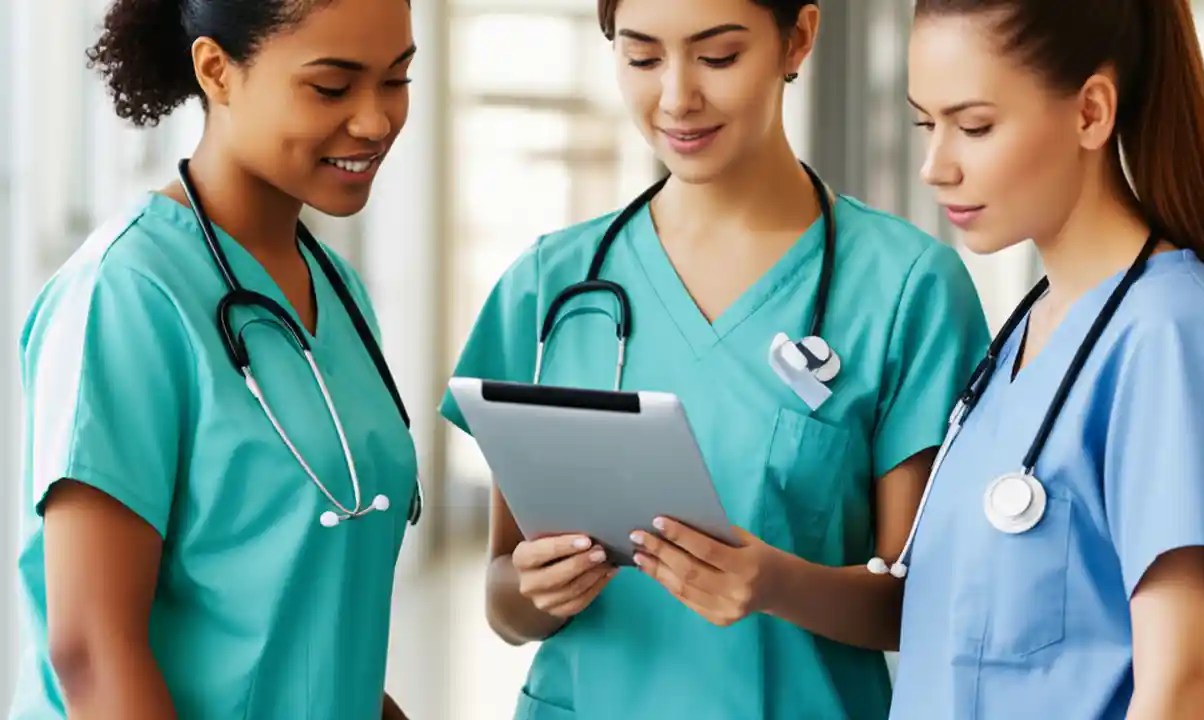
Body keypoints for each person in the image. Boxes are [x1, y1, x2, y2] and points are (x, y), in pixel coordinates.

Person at [438, 0, 989, 717]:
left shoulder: (906, 286)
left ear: (798, 38)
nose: (676, 97)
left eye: (718, 57)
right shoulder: (549, 284)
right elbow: (504, 601)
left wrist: (777, 585)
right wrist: (538, 591)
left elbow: (922, 604)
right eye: (641, 57)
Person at [10, 0, 420, 718]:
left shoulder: (337, 289)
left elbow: (300, 617)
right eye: (332, 87)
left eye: (396, 80)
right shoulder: (128, 293)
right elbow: (93, 652)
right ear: (216, 70)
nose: (375, 121)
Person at [892, 0, 1204, 717]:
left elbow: (1180, 684)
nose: (934, 167)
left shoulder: (1173, 337)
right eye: (926, 125)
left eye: (973, 127)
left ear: (1091, 112)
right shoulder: (1028, 333)